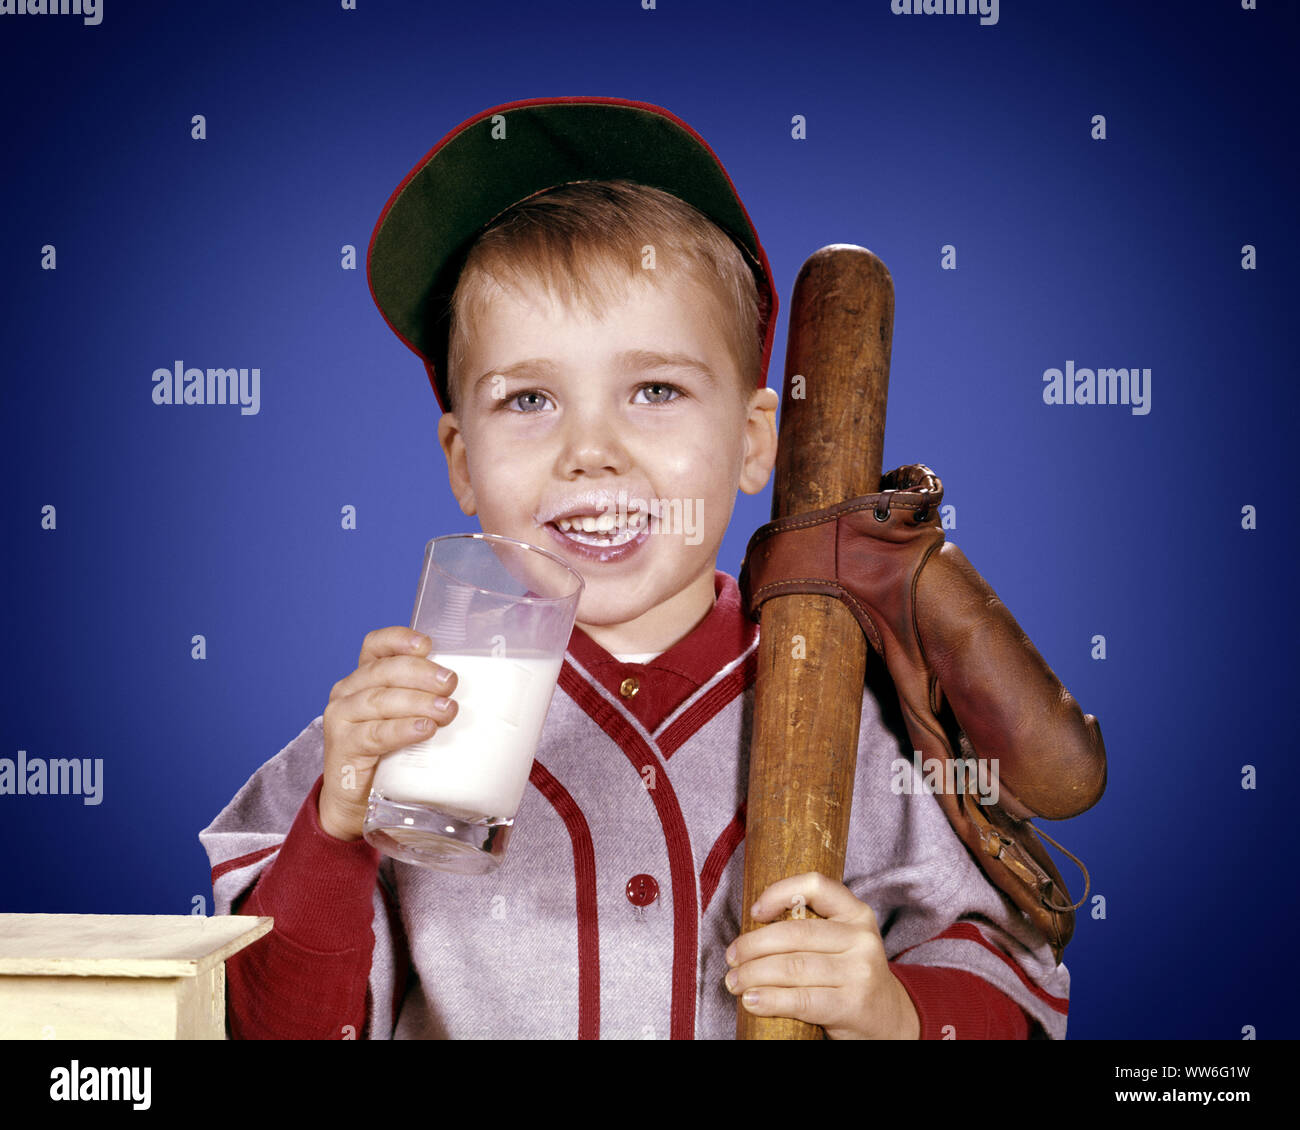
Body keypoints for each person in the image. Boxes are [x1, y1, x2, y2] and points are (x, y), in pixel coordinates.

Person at [199, 96, 1069, 1039]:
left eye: (655, 390)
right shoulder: (390, 737)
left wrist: (899, 1011)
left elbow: (1006, 985)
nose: (590, 450)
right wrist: (332, 833)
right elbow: (266, 1026)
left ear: (751, 442)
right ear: (460, 460)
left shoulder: (844, 713)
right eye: (528, 398)